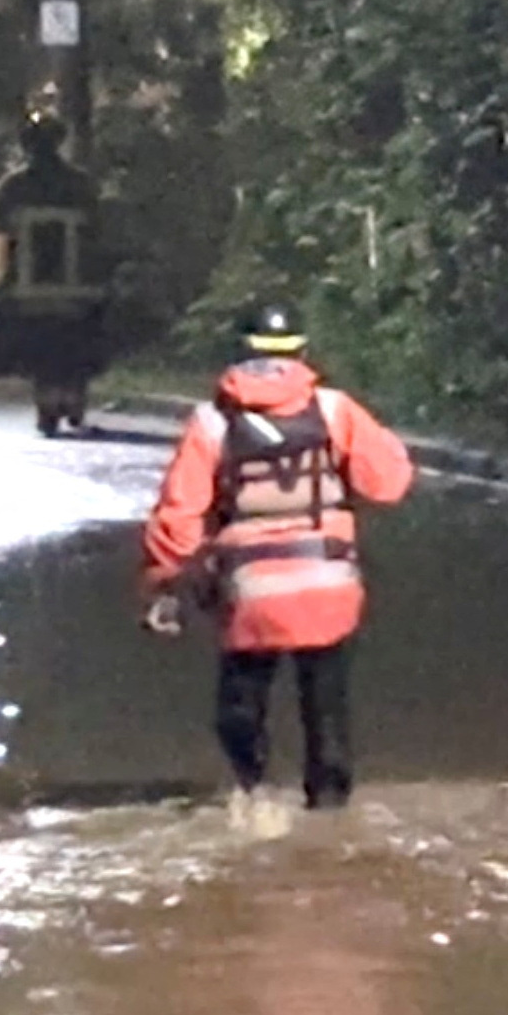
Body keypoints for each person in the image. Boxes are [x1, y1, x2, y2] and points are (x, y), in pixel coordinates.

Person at [140, 302, 416, 825]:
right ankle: (330, 812)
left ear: (239, 352)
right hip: (329, 584)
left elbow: (179, 515)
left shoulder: (211, 423)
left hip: (249, 593)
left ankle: (253, 793)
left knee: (240, 707)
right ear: (303, 351)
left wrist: (164, 583)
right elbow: (389, 484)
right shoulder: (336, 411)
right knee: (327, 709)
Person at [0, 114, 109, 436]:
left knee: (34, 338)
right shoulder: (80, 183)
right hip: (76, 282)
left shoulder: (13, 185)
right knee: (82, 332)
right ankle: (73, 390)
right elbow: (99, 223)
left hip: (28, 283)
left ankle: (51, 395)